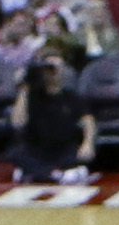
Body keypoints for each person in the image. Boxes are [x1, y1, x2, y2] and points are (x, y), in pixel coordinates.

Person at [8, 47, 94, 182]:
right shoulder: (31, 96)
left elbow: (88, 120)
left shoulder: (71, 96)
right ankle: (54, 174)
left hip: (64, 148)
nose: (53, 72)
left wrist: (87, 143)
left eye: (56, 67)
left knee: (75, 157)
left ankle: (43, 173)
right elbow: (18, 123)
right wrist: (25, 87)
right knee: (16, 154)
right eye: (48, 68)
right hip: (37, 148)